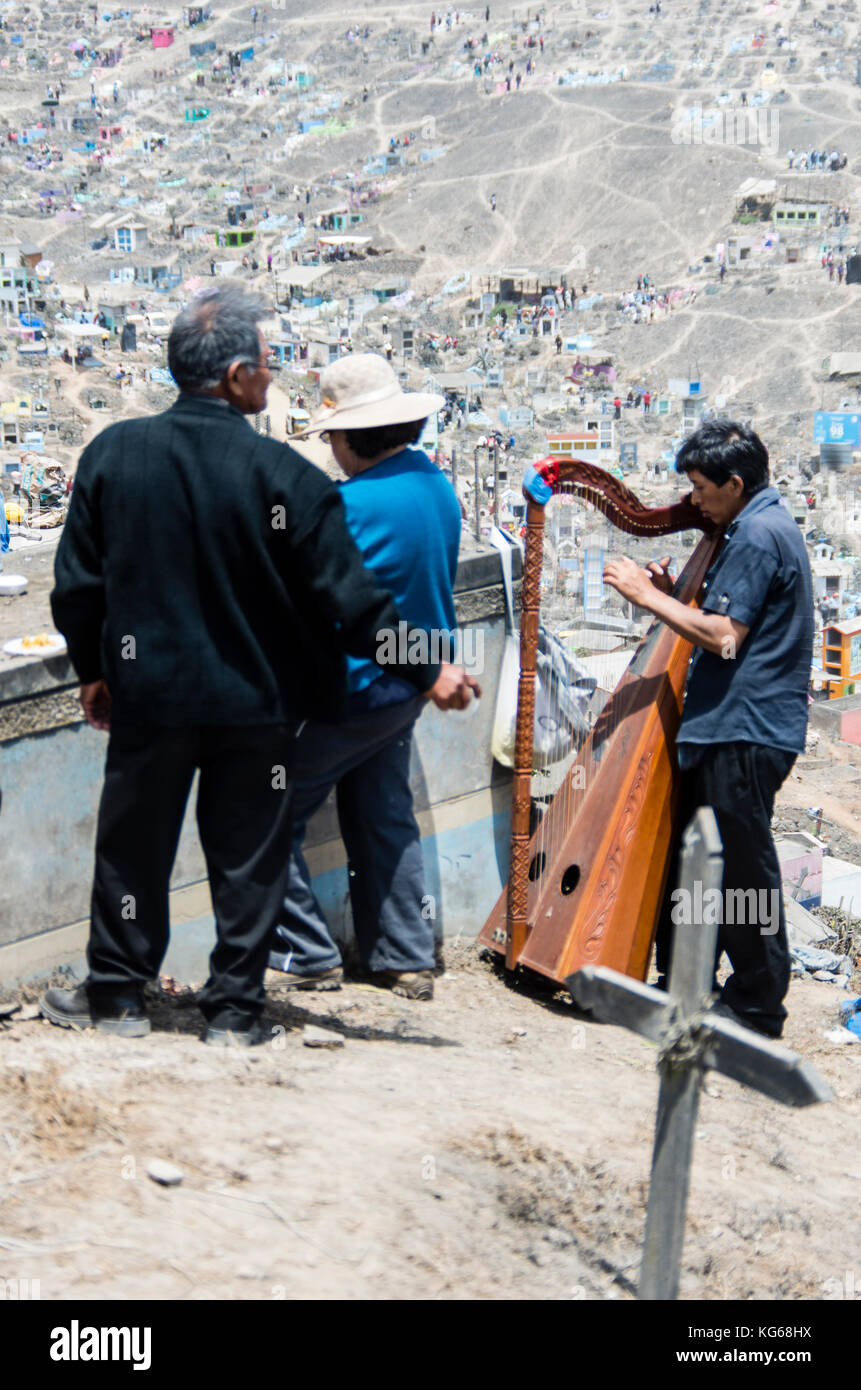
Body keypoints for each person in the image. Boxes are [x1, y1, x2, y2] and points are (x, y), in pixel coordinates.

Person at [43, 289, 475, 1047]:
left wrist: (93, 669)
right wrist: (427, 669)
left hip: (151, 699)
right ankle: (235, 1012)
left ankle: (117, 998)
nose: (272, 382)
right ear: (238, 377)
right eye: (268, 368)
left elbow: (78, 586)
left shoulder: (112, 454)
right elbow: (353, 603)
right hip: (257, 706)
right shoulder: (289, 478)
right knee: (247, 857)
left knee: (132, 849)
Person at [268, 355, 477, 1001]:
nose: (329, 449)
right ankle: (404, 957)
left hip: (353, 688)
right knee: (382, 814)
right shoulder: (434, 485)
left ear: (350, 436)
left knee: (260, 813)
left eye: (331, 435)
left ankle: (304, 954)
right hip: (409, 687)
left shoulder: (348, 507)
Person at [604, 421, 813, 1039]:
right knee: (707, 865)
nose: (692, 502)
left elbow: (724, 638)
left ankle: (756, 1006)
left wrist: (647, 596)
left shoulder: (754, 534)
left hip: (745, 729)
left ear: (736, 483)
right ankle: (688, 984)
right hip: (733, 726)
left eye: (700, 488)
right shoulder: (757, 526)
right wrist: (678, 597)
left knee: (745, 873)